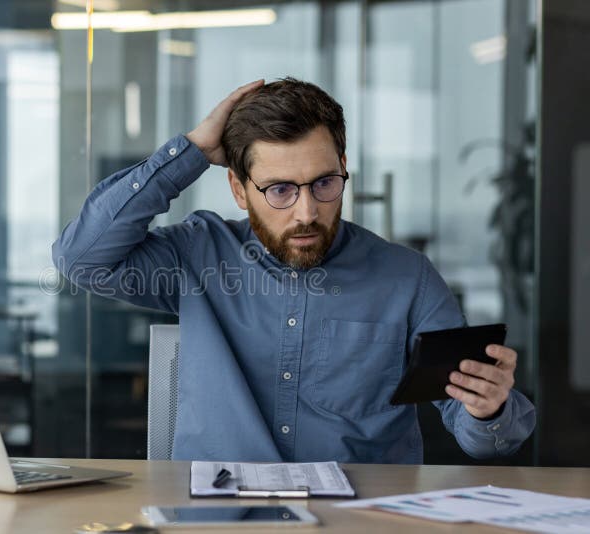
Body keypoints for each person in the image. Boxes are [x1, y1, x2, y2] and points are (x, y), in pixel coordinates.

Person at [53, 77, 535, 463]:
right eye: (280, 190)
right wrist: (192, 152)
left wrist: (487, 407)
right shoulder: (198, 254)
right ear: (240, 191)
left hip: (359, 519)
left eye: (324, 183)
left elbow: (484, 439)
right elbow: (81, 259)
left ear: (344, 167)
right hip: (219, 520)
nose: (306, 211)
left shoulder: (406, 278)